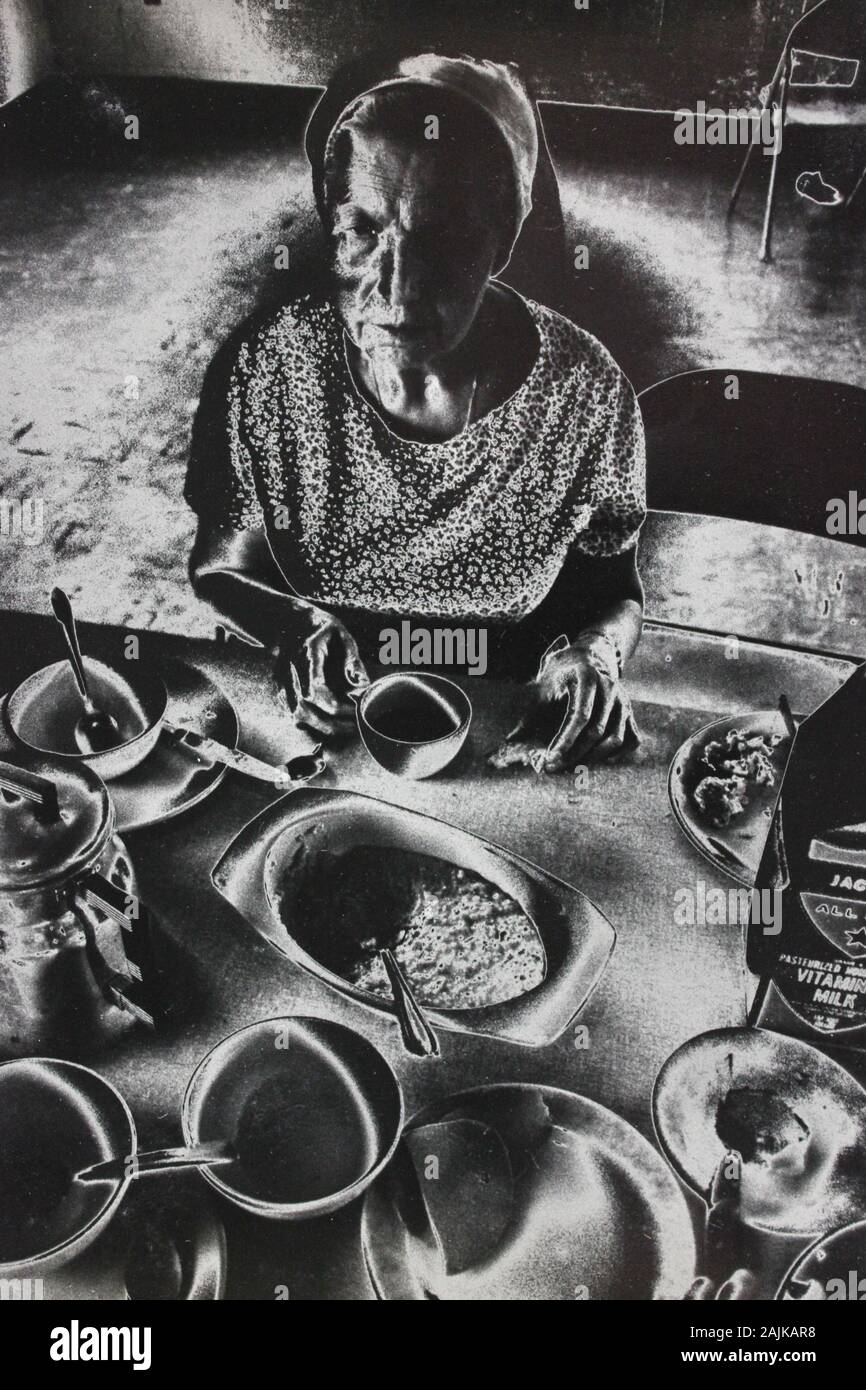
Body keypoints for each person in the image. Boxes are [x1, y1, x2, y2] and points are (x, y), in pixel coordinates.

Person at [186, 52, 646, 770]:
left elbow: (612, 591)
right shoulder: (272, 365)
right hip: (324, 719)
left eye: (439, 239)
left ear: (501, 241)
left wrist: (596, 654)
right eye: (361, 231)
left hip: (507, 721)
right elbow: (220, 564)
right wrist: (288, 623)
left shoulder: (583, 393)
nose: (394, 290)